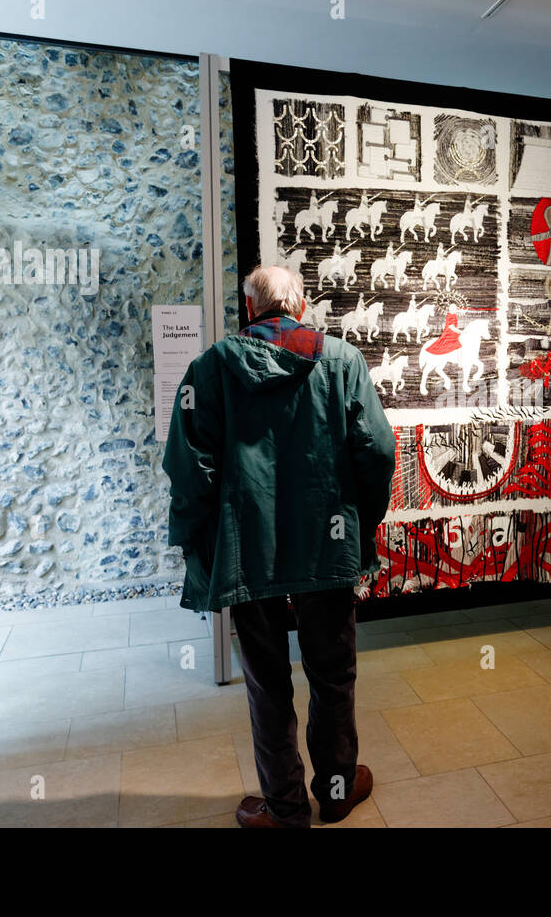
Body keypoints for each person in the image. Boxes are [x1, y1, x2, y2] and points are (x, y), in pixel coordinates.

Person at [163, 264, 396, 827]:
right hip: (327, 548)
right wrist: (361, 522)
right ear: (301, 306)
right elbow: (379, 450)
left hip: (249, 553)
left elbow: (188, 467)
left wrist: (195, 537)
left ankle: (286, 808)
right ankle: (337, 792)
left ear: (249, 309)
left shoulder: (211, 368)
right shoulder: (342, 362)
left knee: (267, 683)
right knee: (333, 673)